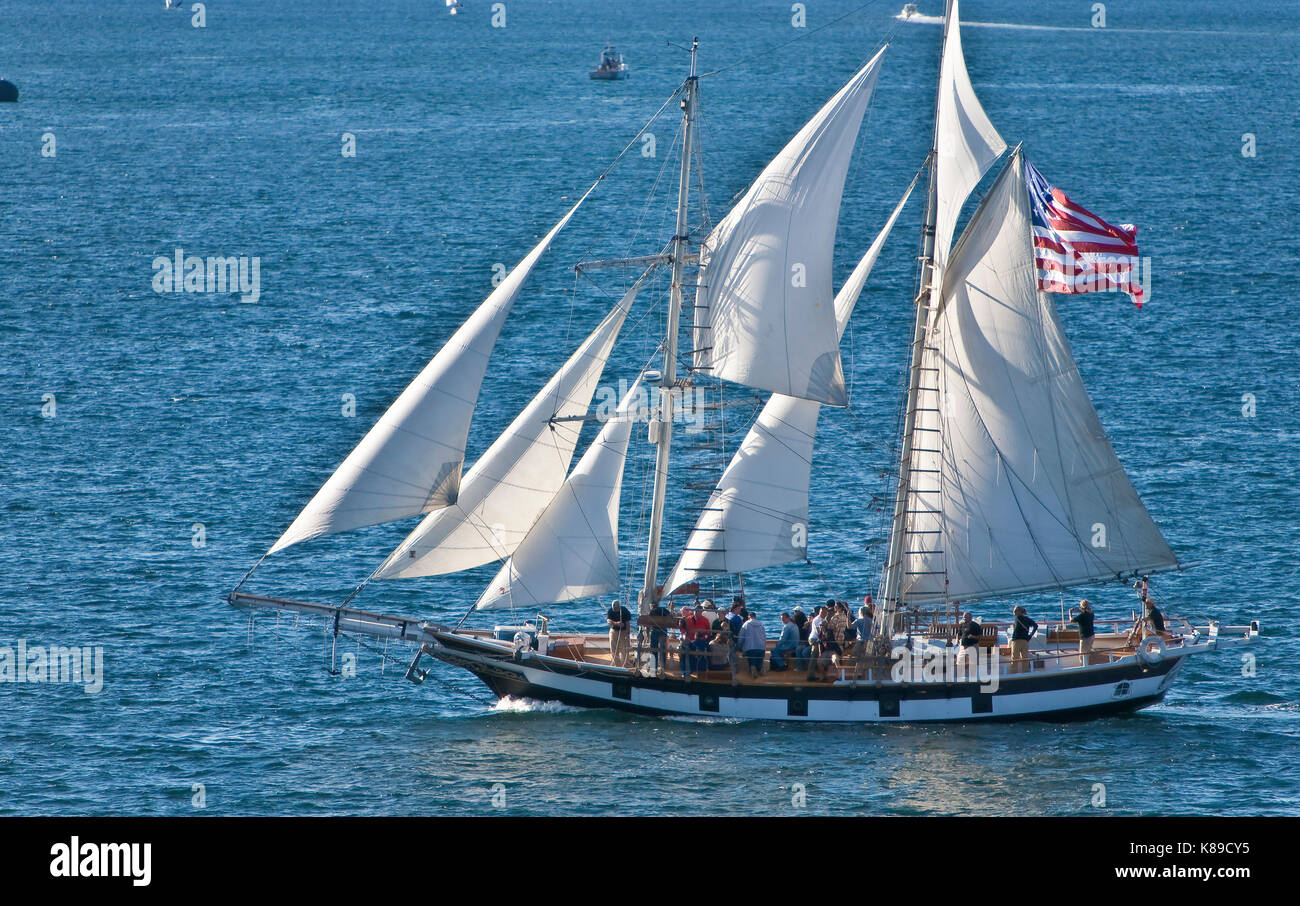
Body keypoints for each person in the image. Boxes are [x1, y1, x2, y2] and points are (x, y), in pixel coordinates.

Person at [682, 604, 712, 675]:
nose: (697, 613)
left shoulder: (705, 620)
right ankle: (686, 670)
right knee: (684, 651)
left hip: (701, 641)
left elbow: (708, 632)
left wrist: (705, 638)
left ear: (701, 612)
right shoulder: (687, 619)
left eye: (699, 611)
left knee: (705, 651)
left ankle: (704, 668)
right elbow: (683, 630)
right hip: (690, 641)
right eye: (696, 611)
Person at [1009, 605, 1038, 674]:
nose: (1014, 612)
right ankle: (1026, 672)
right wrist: (1030, 635)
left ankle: (1014, 673)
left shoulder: (1017, 618)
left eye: (1015, 611)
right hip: (1025, 640)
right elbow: (1035, 626)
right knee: (1025, 658)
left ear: (1019, 612)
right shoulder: (1027, 619)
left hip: (1016, 640)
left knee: (1015, 658)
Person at [738, 612, 767, 678]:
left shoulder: (746, 624)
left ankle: (752, 667)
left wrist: (740, 646)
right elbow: (764, 637)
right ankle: (760, 668)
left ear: (749, 617)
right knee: (759, 661)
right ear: (755, 617)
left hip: (750, 648)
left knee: (751, 658)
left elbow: (741, 637)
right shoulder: (761, 624)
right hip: (761, 648)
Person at [647, 599, 671, 675]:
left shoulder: (651, 612)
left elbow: (648, 623)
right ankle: (663, 666)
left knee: (654, 649)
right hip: (663, 631)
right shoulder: (664, 610)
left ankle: (654, 666)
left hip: (654, 632)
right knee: (663, 649)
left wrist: (647, 634)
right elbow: (671, 616)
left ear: (652, 606)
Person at [1069, 599, 1096, 663]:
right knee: (1087, 652)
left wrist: (1070, 613)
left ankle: (1084, 667)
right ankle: (1088, 663)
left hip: (1085, 637)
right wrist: (1081, 611)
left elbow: (1071, 621)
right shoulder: (1091, 614)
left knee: (1082, 655)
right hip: (1091, 635)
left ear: (1081, 607)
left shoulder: (1082, 616)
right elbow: (1086, 614)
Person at [606, 600, 632, 667]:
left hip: (623, 632)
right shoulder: (610, 610)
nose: (614, 609)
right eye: (613, 608)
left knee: (624, 648)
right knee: (613, 648)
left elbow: (628, 623)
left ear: (619, 606)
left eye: (616, 608)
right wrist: (616, 623)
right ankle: (616, 664)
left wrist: (627, 634)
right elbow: (608, 620)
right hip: (613, 631)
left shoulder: (624, 611)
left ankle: (625, 664)